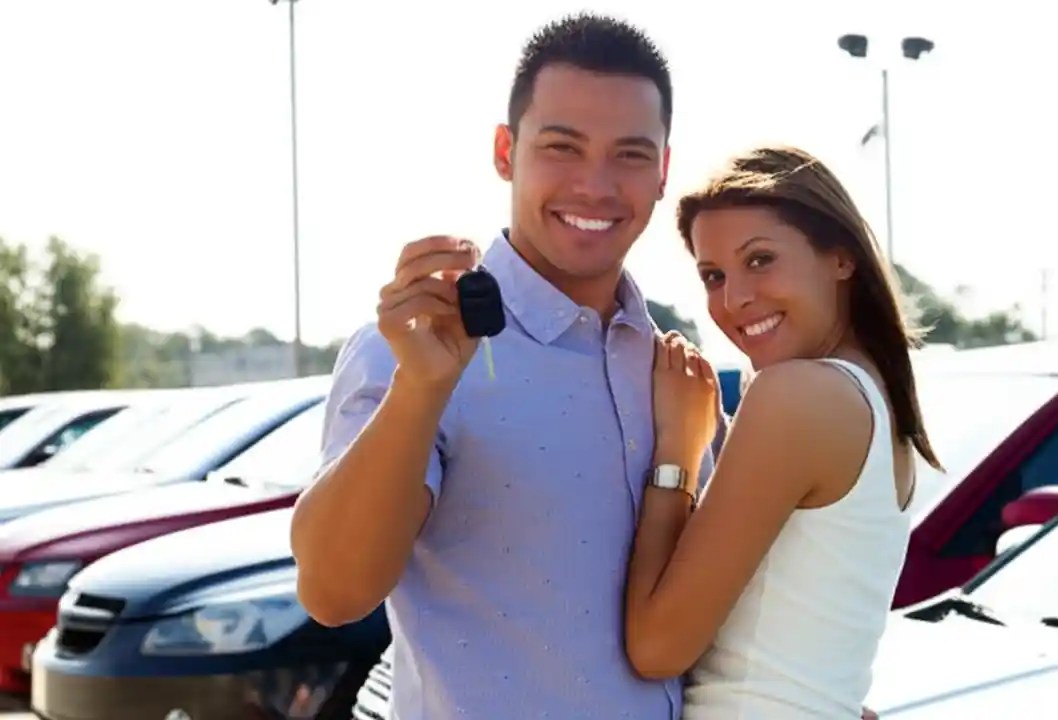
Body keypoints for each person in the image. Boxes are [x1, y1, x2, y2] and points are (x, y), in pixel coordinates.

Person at [288, 12, 721, 719]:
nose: (596, 185)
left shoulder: (676, 376)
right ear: (505, 150)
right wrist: (420, 389)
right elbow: (333, 594)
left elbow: (704, 623)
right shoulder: (412, 350)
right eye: (563, 147)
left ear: (664, 171)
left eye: (630, 154)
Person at [623, 145, 943, 718]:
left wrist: (679, 448)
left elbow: (656, 649)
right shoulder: (877, 404)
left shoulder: (800, 395)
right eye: (714, 276)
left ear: (841, 257)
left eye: (760, 260)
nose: (735, 299)